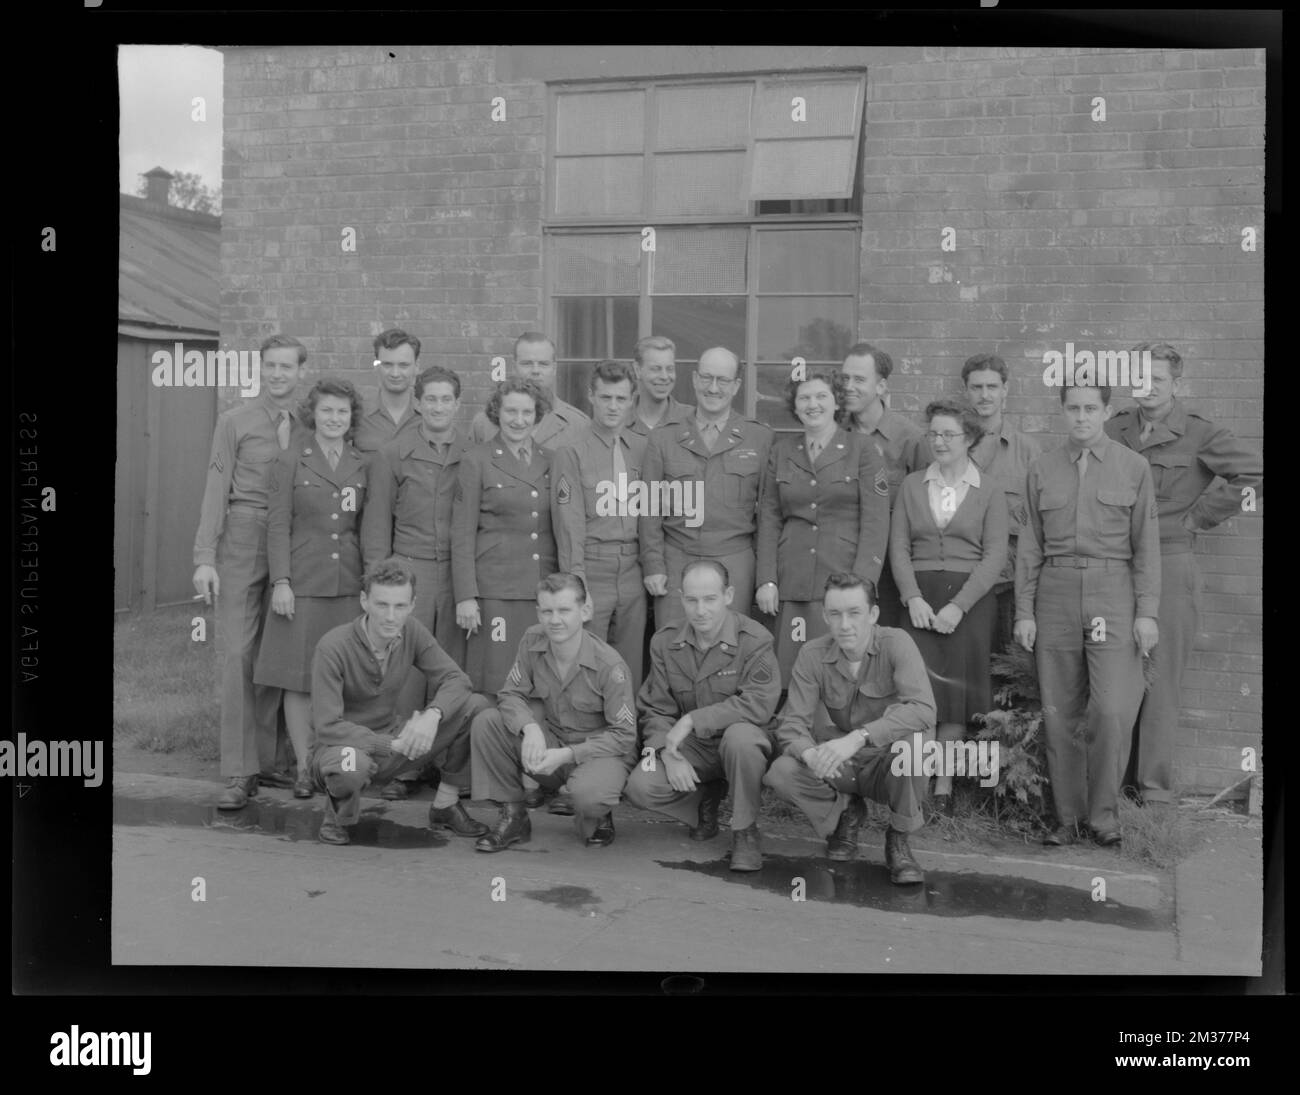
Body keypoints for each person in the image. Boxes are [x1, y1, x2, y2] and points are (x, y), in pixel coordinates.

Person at [1105, 342, 1262, 808]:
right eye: (1139, 377)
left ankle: (1152, 793)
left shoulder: (1200, 433)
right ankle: (1107, 791)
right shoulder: (1113, 430)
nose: (1147, 386)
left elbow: (1256, 474)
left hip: (1171, 561)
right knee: (1114, 672)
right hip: (1116, 563)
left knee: (1161, 676)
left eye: (1157, 378)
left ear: (1176, 384)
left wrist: (1200, 518)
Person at [1016, 383, 1160, 847]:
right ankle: (1068, 818)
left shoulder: (1133, 467)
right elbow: (1030, 546)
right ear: (1062, 412)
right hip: (1056, 592)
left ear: (1107, 411)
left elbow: (1146, 547)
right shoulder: (1042, 469)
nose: (1081, 417)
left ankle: (1104, 817)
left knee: (1112, 709)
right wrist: (1024, 611)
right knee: (1059, 712)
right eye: (1073, 408)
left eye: (1090, 409)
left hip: (1112, 592)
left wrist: (1147, 613)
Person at [192, 333, 308, 810]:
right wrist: (204, 557)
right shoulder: (234, 421)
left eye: (287, 367)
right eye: (271, 366)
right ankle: (240, 770)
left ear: (301, 372)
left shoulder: (310, 424)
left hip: (293, 542)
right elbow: (216, 484)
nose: (278, 375)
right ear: (259, 369)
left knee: (275, 653)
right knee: (239, 652)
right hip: (243, 533)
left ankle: (269, 759)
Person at [764, 573, 936, 884]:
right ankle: (845, 812)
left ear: (873, 614)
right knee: (782, 772)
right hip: (843, 763)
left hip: (887, 763)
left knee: (915, 746)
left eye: (854, 613)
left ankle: (898, 838)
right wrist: (811, 754)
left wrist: (860, 737)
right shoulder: (813, 654)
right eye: (835, 614)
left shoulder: (897, 643)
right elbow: (791, 725)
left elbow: (924, 710)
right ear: (825, 616)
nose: (844, 624)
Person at [310, 557, 492, 845]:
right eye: (382, 604)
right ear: (364, 601)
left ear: (412, 605)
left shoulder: (412, 631)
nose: (391, 616)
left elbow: (457, 680)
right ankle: (338, 817)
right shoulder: (333, 646)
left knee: (476, 707)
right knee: (350, 764)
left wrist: (433, 714)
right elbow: (328, 726)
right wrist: (392, 744)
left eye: (400, 606)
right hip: (339, 748)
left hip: (393, 740)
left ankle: (445, 804)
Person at [890, 397, 1008, 815]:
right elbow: (898, 548)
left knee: (955, 698)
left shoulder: (989, 490)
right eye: (933, 433)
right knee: (919, 691)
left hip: (969, 606)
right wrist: (912, 597)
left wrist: (958, 606)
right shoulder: (911, 485)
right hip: (919, 600)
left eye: (949, 434)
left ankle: (943, 784)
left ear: (969, 438)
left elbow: (995, 556)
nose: (939, 442)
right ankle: (915, 784)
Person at [624, 560, 781, 870]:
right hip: (694, 746)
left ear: (728, 595)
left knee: (740, 740)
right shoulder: (665, 642)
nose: (700, 610)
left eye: (710, 599)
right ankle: (702, 800)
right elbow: (655, 707)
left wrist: (693, 719)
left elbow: (759, 705)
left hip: (744, 743)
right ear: (681, 598)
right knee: (640, 786)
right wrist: (666, 754)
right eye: (692, 600)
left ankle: (745, 830)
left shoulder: (754, 639)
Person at [254, 378, 370, 799]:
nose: (334, 419)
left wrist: (369, 586)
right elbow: (278, 524)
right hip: (302, 583)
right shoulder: (291, 461)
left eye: (342, 412)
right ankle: (304, 767)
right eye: (327, 411)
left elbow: (363, 528)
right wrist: (281, 581)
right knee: (299, 679)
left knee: (338, 680)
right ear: (313, 415)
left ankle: (336, 764)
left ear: (351, 417)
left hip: (346, 585)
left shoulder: (361, 462)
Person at [470, 573, 638, 851]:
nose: (554, 620)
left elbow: (624, 736)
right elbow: (510, 694)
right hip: (555, 745)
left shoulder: (610, 665)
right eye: (547, 611)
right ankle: (514, 817)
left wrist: (569, 755)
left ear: (585, 611)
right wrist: (530, 728)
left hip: (598, 753)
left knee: (589, 795)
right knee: (488, 722)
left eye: (564, 610)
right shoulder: (532, 640)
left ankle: (599, 812)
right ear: (538, 612)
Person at [756, 368, 890, 683]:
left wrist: (862, 586)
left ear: (836, 402)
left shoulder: (862, 449)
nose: (812, 404)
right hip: (795, 580)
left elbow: (875, 522)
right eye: (804, 398)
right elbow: (770, 518)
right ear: (795, 405)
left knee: (842, 670)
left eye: (821, 396)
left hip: (843, 578)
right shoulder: (782, 451)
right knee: (794, 669)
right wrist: (767, 579)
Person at [640, 346, 774, 625]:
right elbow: (649, 509)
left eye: (723, 380)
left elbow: (769, 516)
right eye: (706, 378)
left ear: (736, 386)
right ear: (694, 379)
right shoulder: (664, 438)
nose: (713, 388)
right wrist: (653, 565)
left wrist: (766, 578)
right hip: (677, 560)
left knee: (731, 649)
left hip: (735, 562)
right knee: (674, 648)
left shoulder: (759, 438)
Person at [452, 378, 559, 695]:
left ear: (537, 415)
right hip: (495, 591)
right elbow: (462, 532)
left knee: (538, 680)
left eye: (527, 412)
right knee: (495, 679)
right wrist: (466, 596)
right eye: (511, 411)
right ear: (497, 413)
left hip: (539, 589)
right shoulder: (478, 459)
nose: (518, 420)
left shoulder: (552, 460)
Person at [551, 360, 648, 692]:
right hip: (593, 567)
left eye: (621, 399)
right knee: (588, 664)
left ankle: (626, 739)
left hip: (633, 569)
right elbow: (569, 525)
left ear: (632, 399)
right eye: (606, 397)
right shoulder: (571, 451)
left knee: (630, 666)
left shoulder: (643, 449)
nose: (613, 406)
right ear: (590, 396)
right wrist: (578, 585)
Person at [361, 364, 469, 663]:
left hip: (454, 572)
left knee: (450, 660)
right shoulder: (393, 454)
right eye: (431, 399)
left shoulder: (472, 453)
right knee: (403, 660)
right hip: (408, 568)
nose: (438, 407)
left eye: (446, 399)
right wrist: (377, 583)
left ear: (457, 405)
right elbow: (377, 525)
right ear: (418, 403)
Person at [840, 342, 930, 626]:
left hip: (890, 569)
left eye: (859, 379)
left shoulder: (910, 439)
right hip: (841, 556)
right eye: (845, 379)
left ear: (880, 387)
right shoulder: (835, 434)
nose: (849, 386)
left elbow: (924, 508)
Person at [963, 352, 1042, 652]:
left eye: (992, 387)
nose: (984, 395)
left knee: (1007, 675)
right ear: (966, 391)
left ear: (1005, 390)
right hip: (960, 580)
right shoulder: (949, 446)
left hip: (1006, 586)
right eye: (977, 387)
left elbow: (1036, 529)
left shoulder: (1028, 452)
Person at [469, 332, 590, 452]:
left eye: (543, 364)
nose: (535, 371)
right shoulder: (484, 424)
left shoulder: (577, 425)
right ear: (514, 367)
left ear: (554, 368)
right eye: (527, 363)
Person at [352, 328, 423, 454]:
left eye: (403, 365)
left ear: (416, 367)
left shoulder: (428, 416)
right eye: (387, 365)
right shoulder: (356, 416)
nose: (395, 373)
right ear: (377, 366)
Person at [625, 335, 691, 439]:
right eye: (656, 369)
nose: (664, 377)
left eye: (669, 369)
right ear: (637, 370)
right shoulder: (619, 420)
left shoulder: (693, 420)